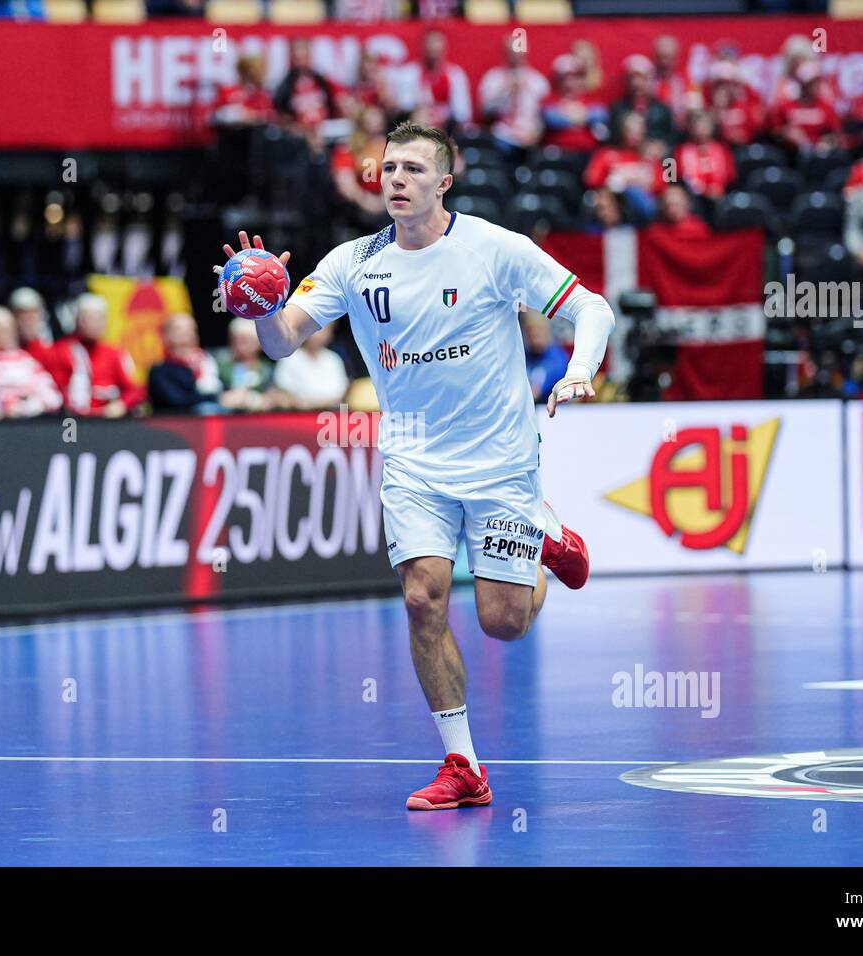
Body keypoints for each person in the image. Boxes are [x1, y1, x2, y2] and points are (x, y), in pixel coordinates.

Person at [215, 121, 608, 811]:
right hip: (414, 462)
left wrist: (577, 373)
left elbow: (591, 307)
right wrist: (263, 307)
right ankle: (463, 765)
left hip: (499, 462)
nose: (395, 179)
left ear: (444, 182)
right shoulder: (352, 262)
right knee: (423, 597)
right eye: (389, 167)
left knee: (502, 623)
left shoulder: (494, 249)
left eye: (413, 170)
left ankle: (547, 543)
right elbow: (281, 344)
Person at [51, 293, 144, 418]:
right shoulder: (62, 350)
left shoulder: (115, 353)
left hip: (108, 420)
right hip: (72, 421)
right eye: (88, 318)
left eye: (98, 319)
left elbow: (135, 390)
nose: (93, 324)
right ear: (77, 321)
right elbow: (55, 388)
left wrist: (121, 404)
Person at [0, 306, 62, 418]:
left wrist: (30, 406)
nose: (5, 334)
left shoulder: (25, 358)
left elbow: (52, 395)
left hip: (31, 420)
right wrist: (8, 405)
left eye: (8, 329)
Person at [147, 312, 223, 413]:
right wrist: (218, 398)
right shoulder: (160, 371)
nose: (186, 334)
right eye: (179, 329)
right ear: (166, 335)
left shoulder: (208, 362)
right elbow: (178, 401)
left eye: (191, 329)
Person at [272, 321, 349, 410]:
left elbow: (339, 393)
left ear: (330, 334)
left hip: (329, 414)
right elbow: (284, 390)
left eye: (325, 330)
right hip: (298, 414)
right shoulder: (290, 357)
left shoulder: (333, 359)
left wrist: (311, 403)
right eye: (316, 329)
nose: (318, 335)